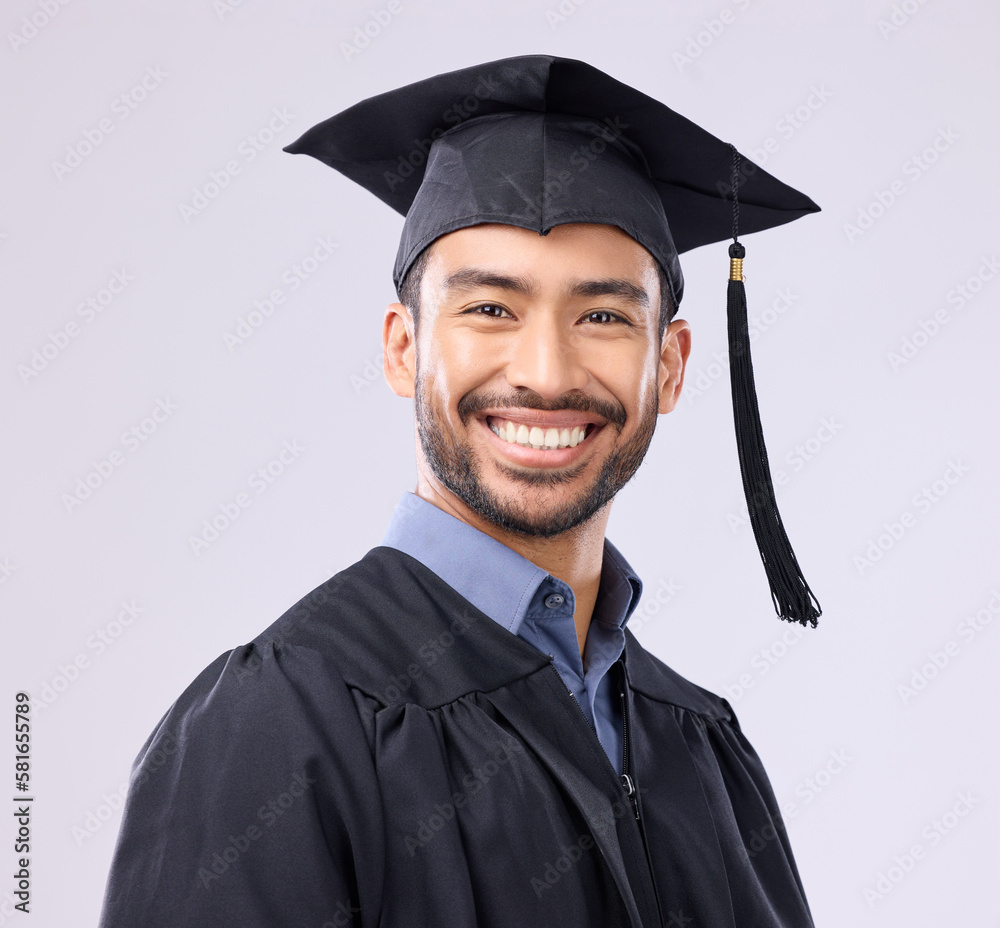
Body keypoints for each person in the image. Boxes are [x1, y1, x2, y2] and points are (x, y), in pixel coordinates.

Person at [99, 55, 821, 927]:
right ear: (404, 349)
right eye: (490, 309)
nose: (547, 373)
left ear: (667, 367)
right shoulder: (275, 729)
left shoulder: (702, 747)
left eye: (603, 316)